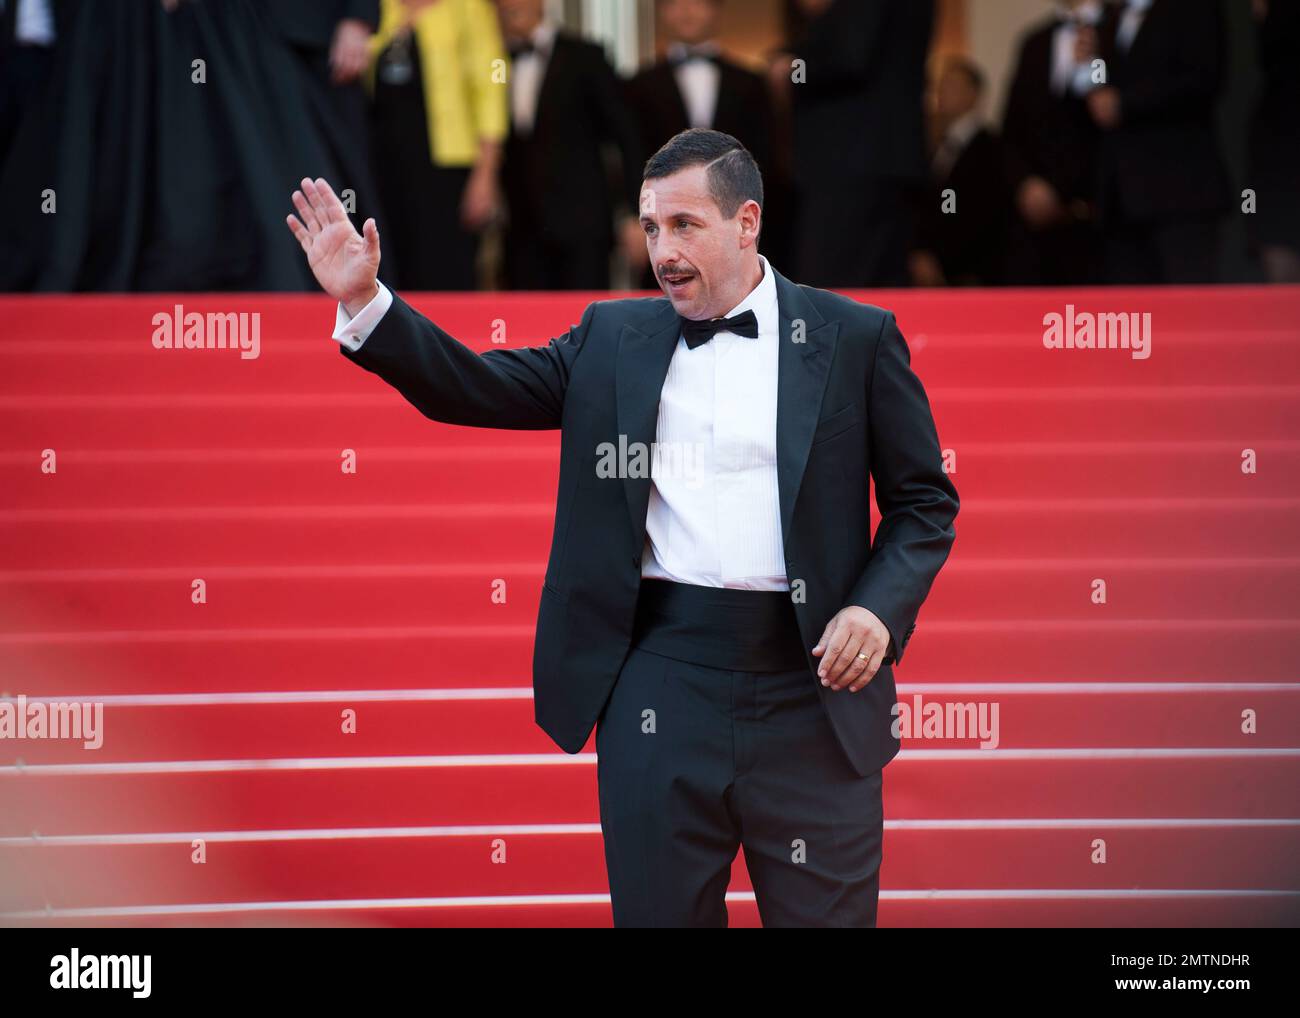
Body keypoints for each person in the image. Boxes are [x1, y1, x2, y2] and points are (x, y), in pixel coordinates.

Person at [284, 128, 958, 927]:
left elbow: (924, 502)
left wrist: (875, 609)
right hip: (661, 686)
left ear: (747, 222)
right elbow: (474, 387)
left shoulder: (855, 337)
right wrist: (366, 303)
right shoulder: (614, 337)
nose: (662, 251)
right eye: (648, 228)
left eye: (684, 226)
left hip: (814, 691)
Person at [770, 0, 935, 288]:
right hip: (890, 161)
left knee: (831, 290)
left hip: (848, 162)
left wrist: (790, 68)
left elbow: (849, 56)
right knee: (882, 290)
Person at [623, 0, 780, 289]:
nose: (687, 11)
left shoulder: (750, 84)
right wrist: (635, 215)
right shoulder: (639, 85)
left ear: (717, 10)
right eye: (675, 4)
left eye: (698, 3)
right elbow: (632, 153)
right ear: (662, 12)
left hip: (733, 215)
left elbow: (766, 158)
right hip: (665, 216)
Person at [494, 0, 642, 290]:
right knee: (526, 328)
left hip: (582, 224)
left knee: (586, 322)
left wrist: (635, 213)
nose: (510, 5)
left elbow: (625, 136)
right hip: (521, 228)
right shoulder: (495, 62)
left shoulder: (586, 56)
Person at [366, 0, 507, 290]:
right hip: (383, 166)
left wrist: (486, 174)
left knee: (445, 270)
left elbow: (491, 90)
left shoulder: (470, 8)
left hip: (446, 167)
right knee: (388, 270)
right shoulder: (380, 8)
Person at [1000, 0, 1109, 285]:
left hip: (1099, 214)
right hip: (1033, 221)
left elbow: (1110, 119)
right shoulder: (1034, 42)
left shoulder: (1117, 27)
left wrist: (1063, 192)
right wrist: (1026, 183)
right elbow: (1012, 128)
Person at [911, 57, 1010, 287]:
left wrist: (944, 261)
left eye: (953, 86)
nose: (943, 94)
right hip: (930, 272)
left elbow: (981, 213)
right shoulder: (932, 146)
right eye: (942, 86)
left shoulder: (991, 148)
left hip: (972, 274)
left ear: (973, 94)